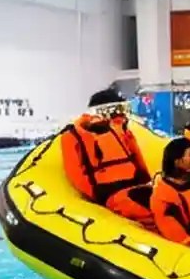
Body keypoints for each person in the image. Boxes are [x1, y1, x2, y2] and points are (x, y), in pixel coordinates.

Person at [60, 89, 155, 227]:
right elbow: (75, 173)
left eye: (123, 109)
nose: (122, 114)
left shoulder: (123, 132)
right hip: (111, 194)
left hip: (135, 187)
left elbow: (138, 160)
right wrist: (98, 195)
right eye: (117, 110)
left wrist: (146, 182)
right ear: (103, 112)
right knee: (151, 213)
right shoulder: (74, 137)